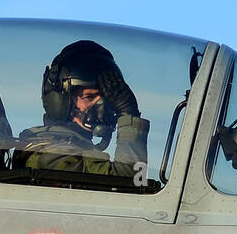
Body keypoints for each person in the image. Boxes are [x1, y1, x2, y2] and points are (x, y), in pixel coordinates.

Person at [13, 40, 150, 186]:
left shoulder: (75, 147)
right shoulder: (51, 155)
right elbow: (130, 184)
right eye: (90, 97)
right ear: (61, 101)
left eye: (108, 99)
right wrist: (128, 113)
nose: (102, 106)